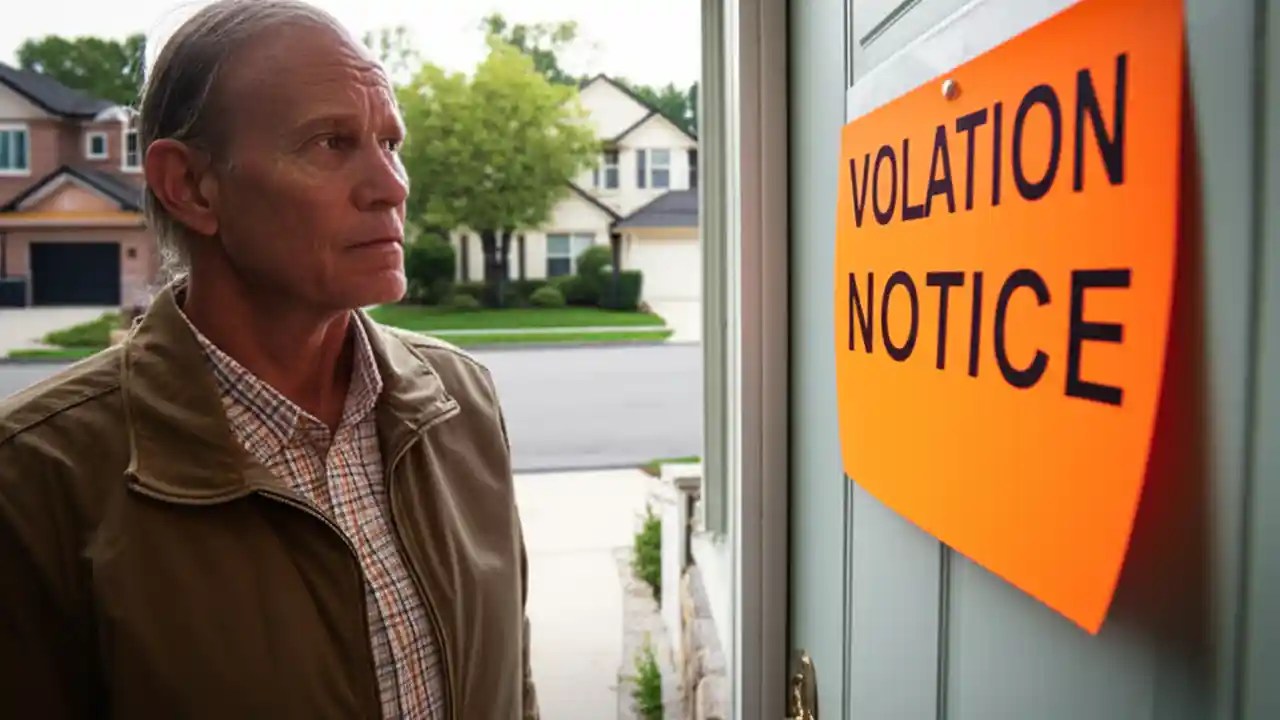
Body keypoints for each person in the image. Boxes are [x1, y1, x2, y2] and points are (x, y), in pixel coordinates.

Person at [0, 1, 538, 718]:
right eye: (329, 143)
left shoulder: (459, 402)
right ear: (191, 186)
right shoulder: (34, 479)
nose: (392, 186)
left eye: (390, 142)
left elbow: (513, 688)